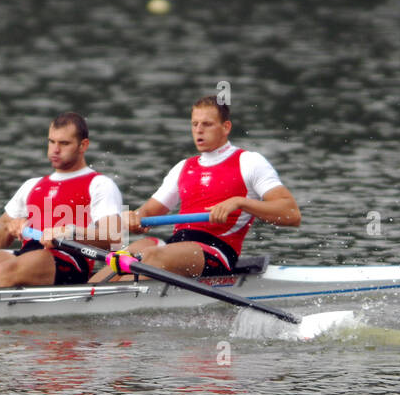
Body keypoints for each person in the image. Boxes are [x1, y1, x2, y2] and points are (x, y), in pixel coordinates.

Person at [95, 96, 298, 280]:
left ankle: (116, 307)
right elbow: (148, 212)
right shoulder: (183, 167)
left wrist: (240, 202)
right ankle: (86, 299)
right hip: (176, 246)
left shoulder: (249, 162)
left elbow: (291, 214)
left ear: (226, 127)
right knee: (125, 255)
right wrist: (135, 217)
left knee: (151, 256)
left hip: (217, 251)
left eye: (207, 124)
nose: (199, 130)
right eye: (195, 124)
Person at [0, 112, 123, 289]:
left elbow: (113, 238)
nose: (55, 150)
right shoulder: (32, 185)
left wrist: (69, 231)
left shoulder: (100, 184)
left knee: (9, 268)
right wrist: (10, 227)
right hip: (28, 255)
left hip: (69, 260)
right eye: (51, 142)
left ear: (83, 146)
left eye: (64, 143)